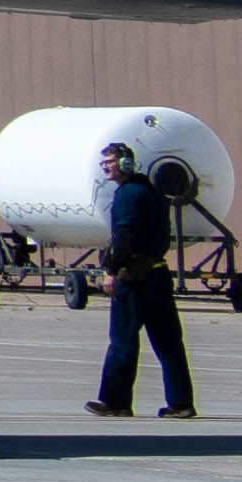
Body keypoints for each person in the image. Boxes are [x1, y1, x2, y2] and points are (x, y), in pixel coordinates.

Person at [89, 138, 198, 421]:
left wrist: (111, 270)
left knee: (123, 341)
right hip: (159, 274)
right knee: (169, 343)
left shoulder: (127, 194)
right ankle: (181, 403)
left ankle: (116, 402)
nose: (106, 168)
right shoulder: (154, 192)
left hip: (134, 278)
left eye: (110, 162)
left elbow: (124, 236)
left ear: (126, 163)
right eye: (103, 163)